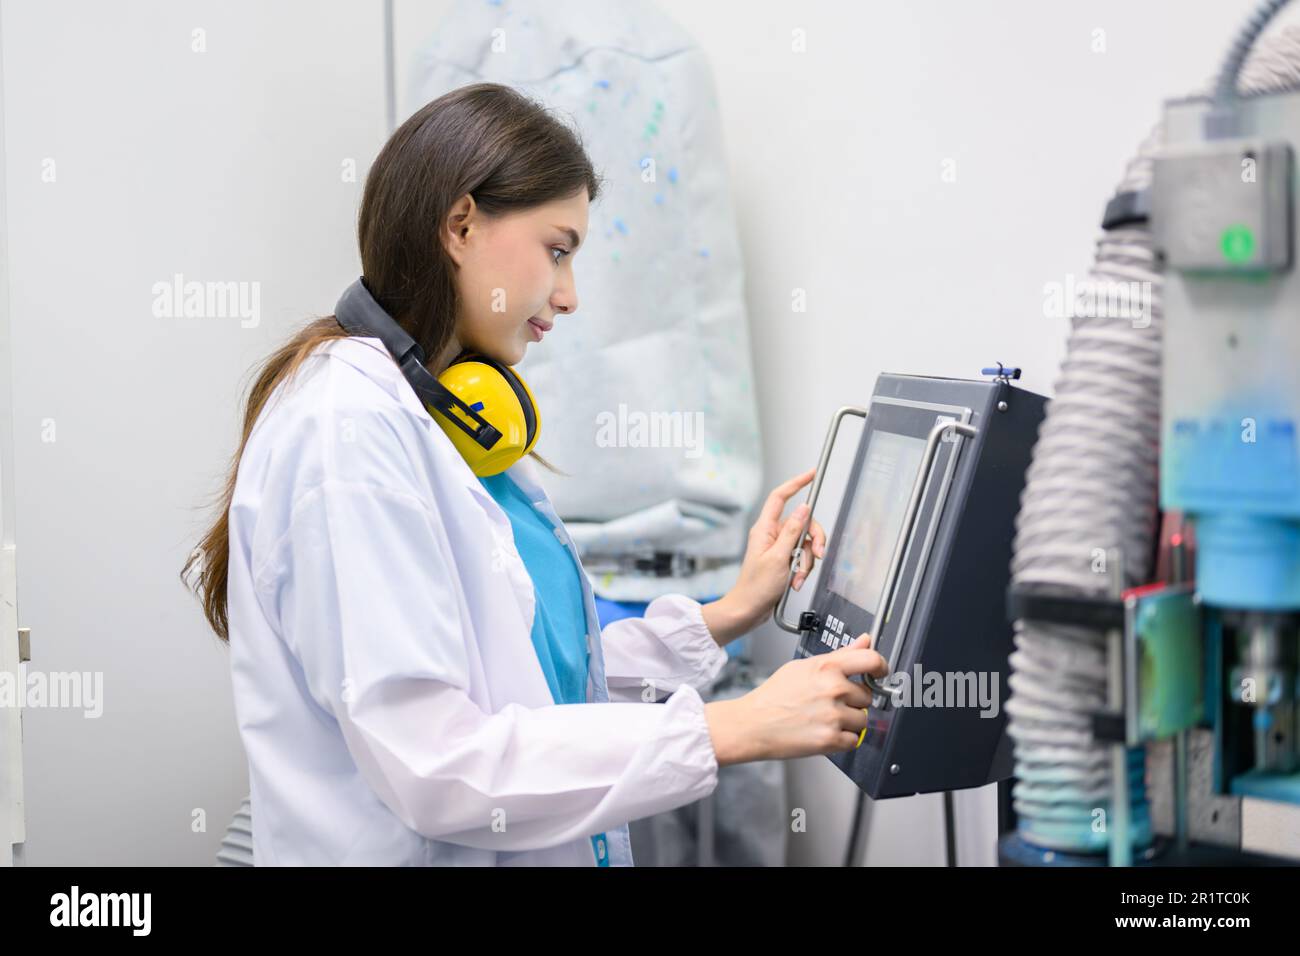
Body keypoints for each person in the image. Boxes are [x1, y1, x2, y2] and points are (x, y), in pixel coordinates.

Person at [182, 82, 886, 866]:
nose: (570, 295)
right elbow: (439, 767)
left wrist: (726, 614)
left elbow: (531, 673)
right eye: (558, 249)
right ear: (461, 224)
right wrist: (736, 726)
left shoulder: (441, 423)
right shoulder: (348, 434)